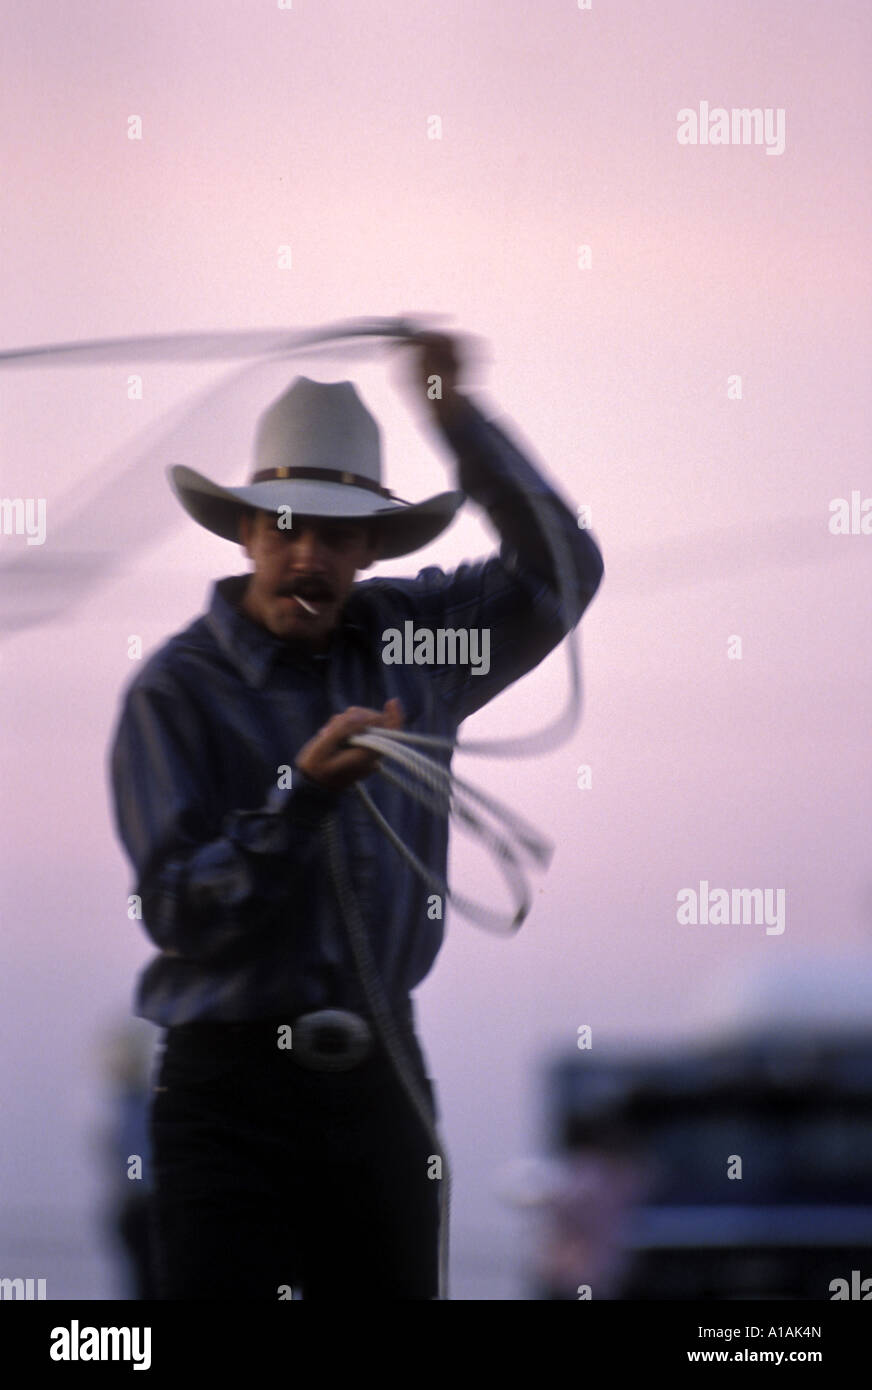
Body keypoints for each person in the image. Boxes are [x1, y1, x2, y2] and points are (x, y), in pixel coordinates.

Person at [108, 330, 604, 1299]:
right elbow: (176, 911)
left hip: (377, 1072)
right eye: (286, 525)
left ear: (370, 544)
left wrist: (453, 415)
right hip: (226, 1091)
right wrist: (302, 800)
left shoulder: (418, 641)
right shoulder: (178, 691)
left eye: (334, 533)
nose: (307, 553)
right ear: (245, 530)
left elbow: (562, 570)